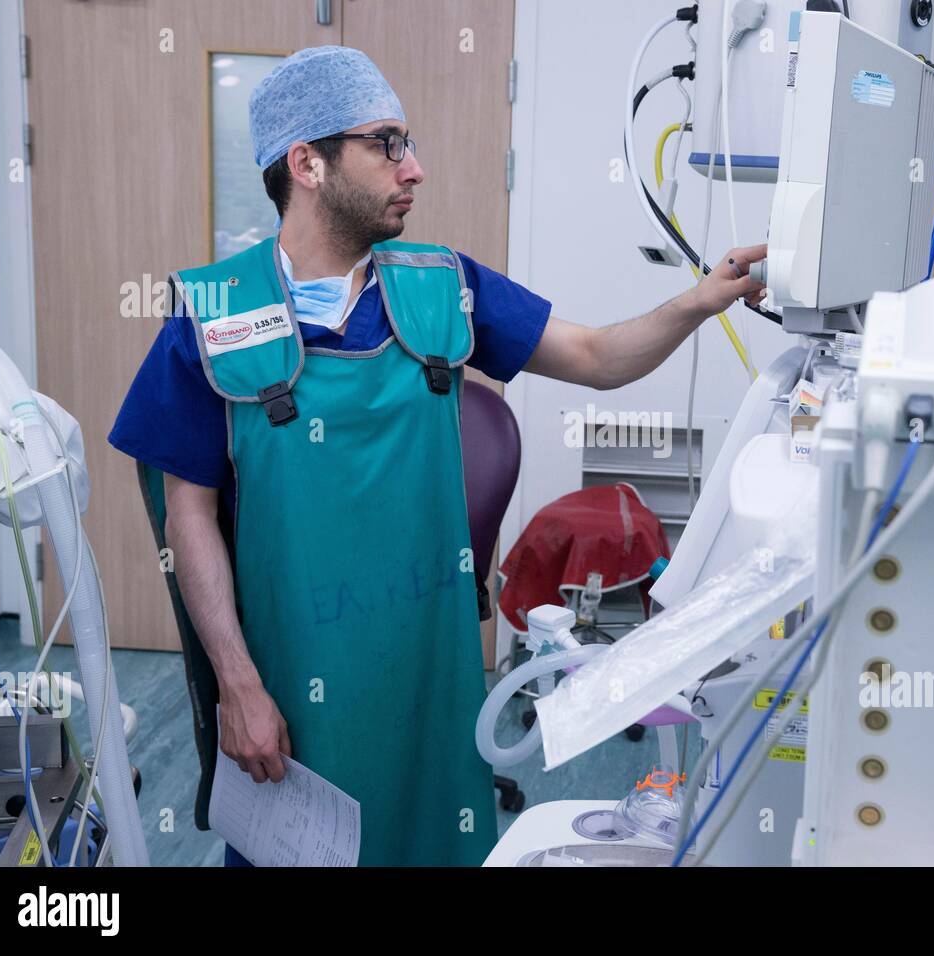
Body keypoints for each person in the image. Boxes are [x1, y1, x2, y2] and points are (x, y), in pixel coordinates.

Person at [109, 45, 765, 866]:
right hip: (293, 672)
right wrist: (238, 687)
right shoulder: (211, 316)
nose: (413, 166)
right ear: (307, 162)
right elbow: (188, 515)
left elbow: (598, 357)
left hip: (430, 661)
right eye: (387, 143)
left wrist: (702, 301)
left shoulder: (440, 282)